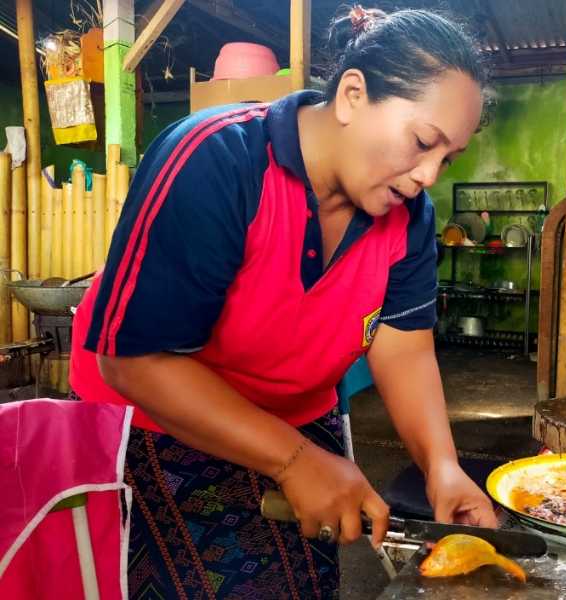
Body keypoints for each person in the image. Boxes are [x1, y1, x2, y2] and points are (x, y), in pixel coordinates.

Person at [69, 6, 494, 599]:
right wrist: (294, 462)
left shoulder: (409, 218)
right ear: (352, 95)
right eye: (423, 142)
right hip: (157, 420)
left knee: (306, 584)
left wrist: (441, 466)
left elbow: (403, 347)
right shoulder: (217, 160)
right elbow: (135, 361)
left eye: (446, 159)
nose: (428, 175)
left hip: (297, 414)